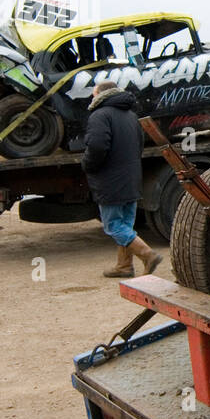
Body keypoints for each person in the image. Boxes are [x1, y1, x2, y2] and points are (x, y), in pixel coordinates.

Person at [82, 80, 161, 278]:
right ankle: (124, 266)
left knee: (113, 225)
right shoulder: (131, 115)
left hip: (110, 180)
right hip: (131, 178)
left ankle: (147, 254)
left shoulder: (99, 115)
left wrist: (87, 165)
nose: (92, 97)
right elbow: (139, 145)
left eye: (94, 93)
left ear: (100, 94)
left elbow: (97, 146)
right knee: (126, 225)